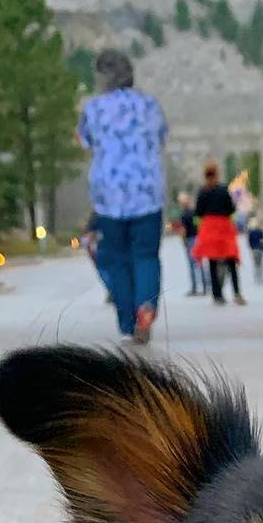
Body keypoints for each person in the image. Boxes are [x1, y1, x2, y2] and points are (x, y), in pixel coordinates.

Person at [76, 49, 169, 344]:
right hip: (147, 192)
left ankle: (127, 319)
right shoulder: (150, 105)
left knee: (116, 259)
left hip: (109, 195)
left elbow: (84, 140)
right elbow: (161, 137)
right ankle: (146, 307)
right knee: (145, 255)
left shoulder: (93, 109)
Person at [192, 160, 245, 306]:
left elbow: (198, 212)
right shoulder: (223, 190)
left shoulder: (202, 191)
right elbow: (231, 209)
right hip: (223, 227)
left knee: (212, 262)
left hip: (209, 227)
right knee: (231, 260)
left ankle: (217, 295)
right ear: (217, 174)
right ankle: (237, 292)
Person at [176, 193, 206, 296]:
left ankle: (194, 288)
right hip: (198, 239)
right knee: (200, 263)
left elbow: (183, 230)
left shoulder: (184, 215)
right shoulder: (195, 213)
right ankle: (205, 287)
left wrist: (183, 241)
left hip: (190, 240)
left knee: (191, 265)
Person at [246, 215, 263, 284]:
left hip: (254, 250)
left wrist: (251, 249)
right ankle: (262, 278)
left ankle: (256, 278)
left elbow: (249, 242)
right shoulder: (260, 231)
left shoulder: (250, 232)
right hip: (260, 249)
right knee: (261, 264)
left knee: (256, 264)